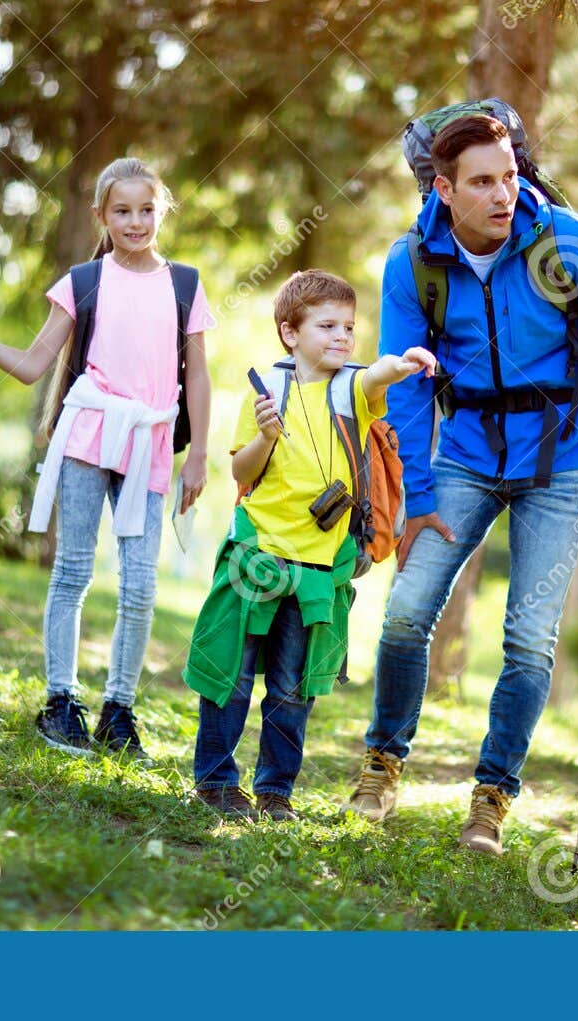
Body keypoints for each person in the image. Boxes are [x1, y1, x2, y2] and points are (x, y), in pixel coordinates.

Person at [347, 113, 578, 855]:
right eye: (483, 182)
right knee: (406, 611)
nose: (502, 194)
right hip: (462, 455)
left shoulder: (566, 243)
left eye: (510, 176)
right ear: (444, 188)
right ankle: (382, 763)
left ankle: (491, 799)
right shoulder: (413, 263)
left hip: (559, 460)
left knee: (527, 636)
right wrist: (416, 496)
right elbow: (405, 385)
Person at [0, 157, 212, 758]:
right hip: (87, 436)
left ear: (162, 211)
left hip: (149, 441)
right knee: (73, 570)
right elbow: (32, 365)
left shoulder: (184, 284)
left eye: (146, 209)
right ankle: (60, 702)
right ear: (101, 215)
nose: (135, 221)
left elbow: (198, 375)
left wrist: (197, 452)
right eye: (121, 211)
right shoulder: (84, 280)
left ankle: (118, 711)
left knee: (140, 584)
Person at [183, 270, 434, 821]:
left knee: (293, 689)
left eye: (349, 326)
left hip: (319, 567)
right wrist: (266, 435)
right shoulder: (263, 393)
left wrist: (405, 359)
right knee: (232, 673)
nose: (342, 336)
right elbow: (240, 470)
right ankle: (216, 781)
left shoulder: (353, 390)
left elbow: (379, 375)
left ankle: (275, 791)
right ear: (289, 333)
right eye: (327, 326)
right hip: (259, 556)